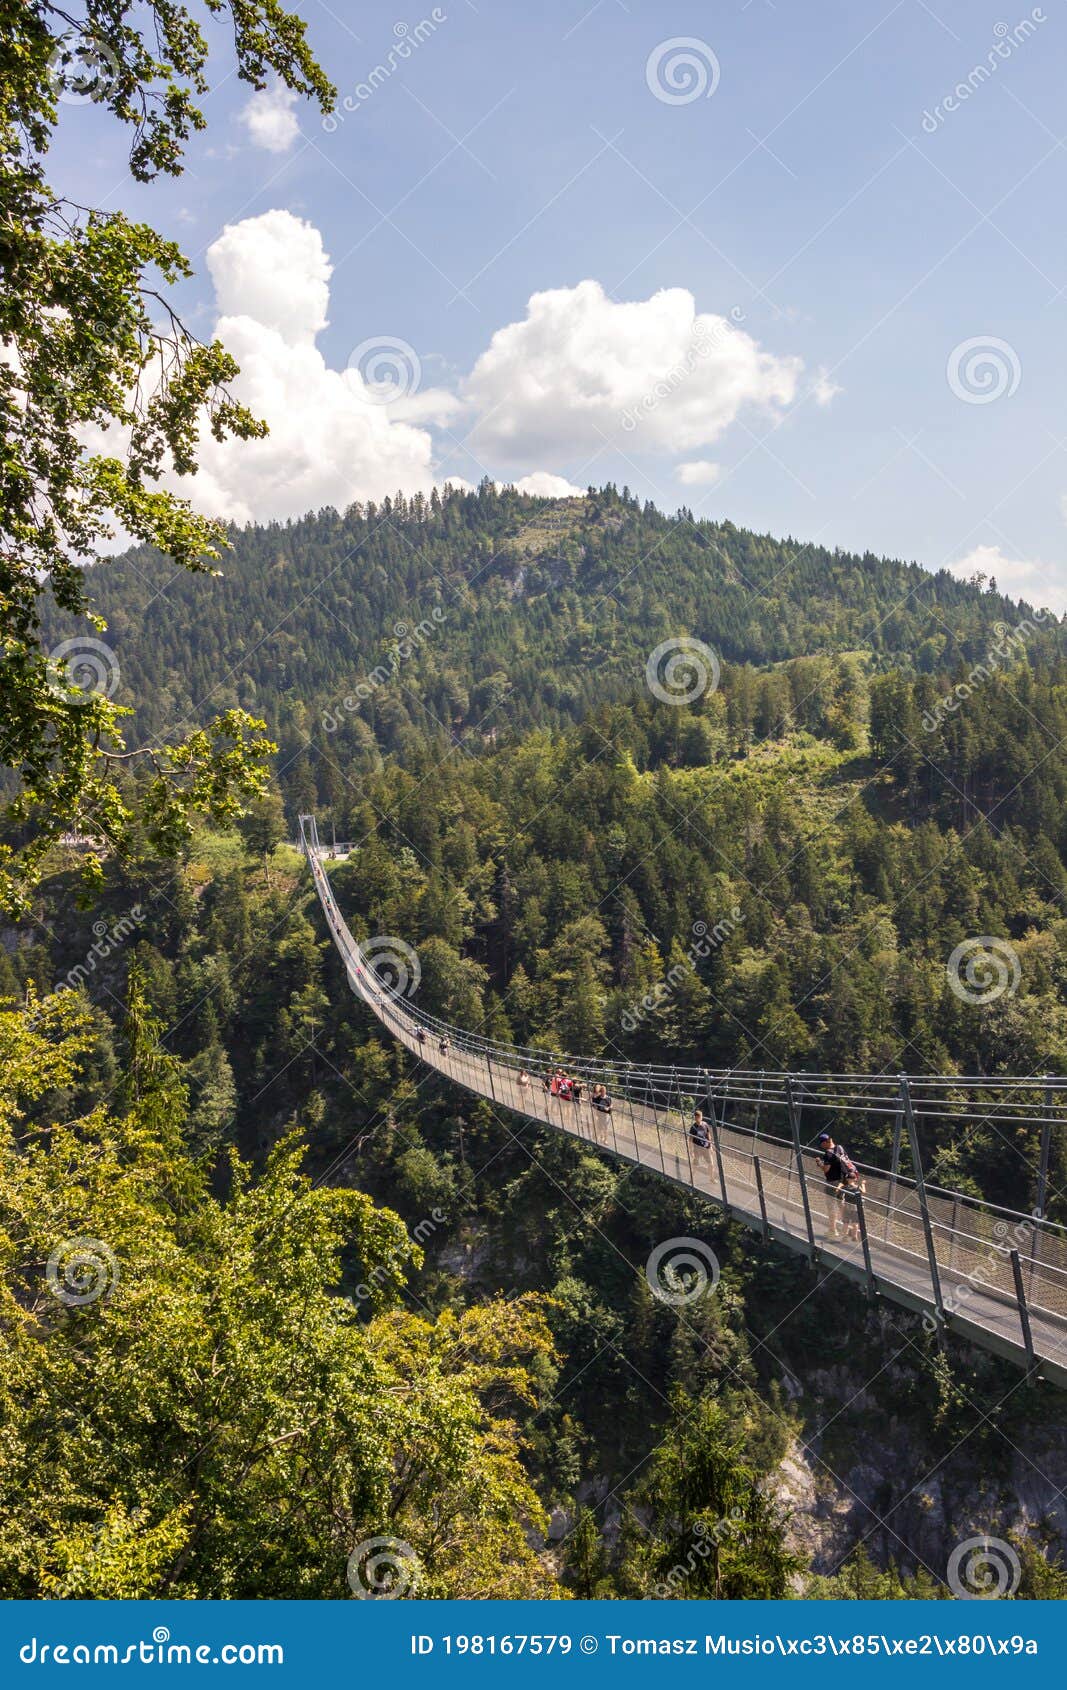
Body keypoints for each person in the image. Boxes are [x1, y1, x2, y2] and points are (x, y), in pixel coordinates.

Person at [817, 1132, 862, 1240]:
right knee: (842, 1205)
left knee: (831, 1205)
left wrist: (819, 1163)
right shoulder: (840, 1148)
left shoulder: (828, 1154)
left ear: (825, 1142)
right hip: (845, 1181)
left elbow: (826, 1169)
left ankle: (833, 1230)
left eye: (821, 1144)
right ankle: (847, 1229)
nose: (821, 1146)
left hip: (833, 1182)